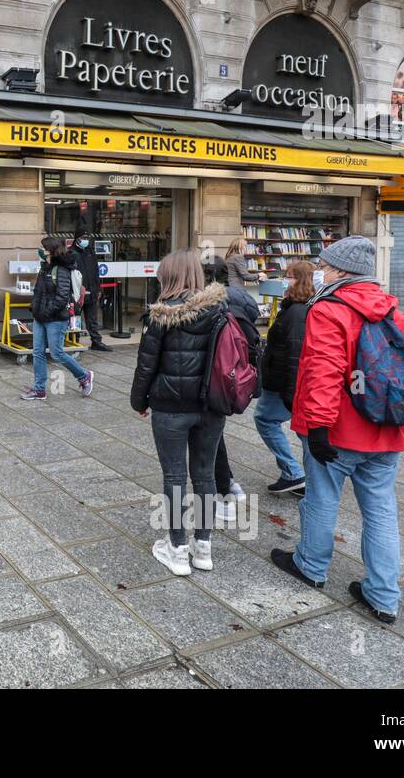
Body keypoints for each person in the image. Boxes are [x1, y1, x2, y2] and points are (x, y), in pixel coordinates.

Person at [271, 236, 404, 624]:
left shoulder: (329, 309)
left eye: (324, 264)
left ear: (339, 271)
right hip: (386, 431)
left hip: (337, 431)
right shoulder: (392, 311)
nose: (319, 270)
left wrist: (317, 427)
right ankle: (384, 595)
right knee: (382, 511)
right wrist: (402, 426)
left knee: (322, 499)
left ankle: (311, 566)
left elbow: (323, 372)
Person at [130, 248, 227, 576]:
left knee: (174, 476)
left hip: (170, 407)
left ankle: (177, 548)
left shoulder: (160, 315)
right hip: (211, 405)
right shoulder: (219, 309)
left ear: (168, 276)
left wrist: (139, 401)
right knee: (206, 475)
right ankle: (203, 548)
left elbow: (146, 365)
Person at [201, 259, 259, 522]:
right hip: (234, 378)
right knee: (215, 433)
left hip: (215, 378)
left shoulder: (210, 302)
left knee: (208, 437)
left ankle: (224, 494)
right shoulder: (240, 297)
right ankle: (228, 486)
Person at [254, 260, 316, 495]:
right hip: (283, 382)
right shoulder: (296, 307)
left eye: (289, 276)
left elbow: (294, 353)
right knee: (304, 430)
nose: (284, 280)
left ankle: (295, 474)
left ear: (299, 280)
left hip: (283, 383)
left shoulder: (297, 312)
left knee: (266, 420)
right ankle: (308, 477)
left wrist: (291, 394)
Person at [21, 236, 93, 401]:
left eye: (44, 249)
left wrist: (45, 312)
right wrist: (35, 308)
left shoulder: (61, 269)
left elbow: (61, 297)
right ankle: (39, 390)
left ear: (51, 251)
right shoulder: (45, 267)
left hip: (55, 318)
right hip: (41, 316)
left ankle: (84, 376)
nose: (41, 251)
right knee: (38, 352)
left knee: (57, 353)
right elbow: (39, 291)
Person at [70, 223, 110, 352]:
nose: (85, 240)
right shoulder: (71, 253)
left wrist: (99, 288)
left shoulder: (90, 252)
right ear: (77, 239)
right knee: (75, 319)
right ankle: (73, 341)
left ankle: (96, 342)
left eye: (87, 238)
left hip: (92, 291)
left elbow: (95, 271)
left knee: (92, 319)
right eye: (83, 238)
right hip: (78, 293)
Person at [225, 237, 266, 301]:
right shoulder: (238, 257)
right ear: (240, 247)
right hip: (236, 290)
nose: (246, 248)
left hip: (230, 288)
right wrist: (259, 275)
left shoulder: (229, 257)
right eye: (245, 246)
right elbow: (246, 276)